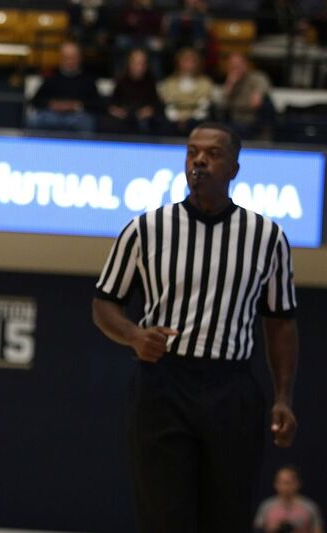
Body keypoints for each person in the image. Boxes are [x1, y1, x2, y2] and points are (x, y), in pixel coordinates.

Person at [92, 123, 299, 533]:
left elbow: (280, 321)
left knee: (228, 515)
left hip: (233, 386)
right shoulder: (145, 229)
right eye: (192, 152)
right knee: (164, 516)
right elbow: (103, 304)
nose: (199, 160)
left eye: (212, 153)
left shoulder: (267, 237)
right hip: (163, 384)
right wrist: (134, 336)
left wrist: (283, 397)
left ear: (234, 168)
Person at [26, 41, 101, 133]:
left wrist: (76, 105)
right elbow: (36, 100)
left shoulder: (88, 80)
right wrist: (52, 104)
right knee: (35, 120)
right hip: (52, 115)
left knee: (86, 122)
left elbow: (97, 104)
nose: (69, 61)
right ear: (61, 58)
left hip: (77, 116)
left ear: (79, 58)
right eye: (66, 58)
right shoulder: (51, 78)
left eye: (72, 57)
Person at [100, 48, 162, 135]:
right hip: (124, 115)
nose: (139, 67)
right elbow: (112, 104)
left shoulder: (150, 81)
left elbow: (156, 104)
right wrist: (116, 110)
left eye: (142, 63)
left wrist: (149, 110)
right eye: (136, 63)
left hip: (144, 118)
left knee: (150, 123)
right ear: (129, 64)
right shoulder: (121, 80)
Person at [159, 47, 214, 135]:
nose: (188, 64)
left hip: (196, 121)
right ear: (178, 63)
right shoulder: (169, 83)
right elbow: (169, 104)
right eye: (185, 61)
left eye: (192, 61)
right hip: (173, 120)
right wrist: (178, 118)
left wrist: (188, 119)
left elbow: (203, 106)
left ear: (197, 63)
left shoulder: (205, 83)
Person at [220, 52, 274, 139]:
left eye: (238, 64)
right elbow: (222, 106)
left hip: (253, 119)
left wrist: (258, 93)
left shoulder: (256, 77)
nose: (236, 68)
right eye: (233, 65)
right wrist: (230, 86)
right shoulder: (229, 82)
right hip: (234, 119)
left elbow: (263, 84)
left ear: (245, 64)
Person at [255, 466, 324, 533]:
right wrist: (270, 528)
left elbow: (318, 530)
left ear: (297, 483)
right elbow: (257, 529)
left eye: (288, 483)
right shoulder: (267, 506)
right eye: (280, 482)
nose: (284, 487)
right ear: (275, 484)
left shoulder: (309, 507)